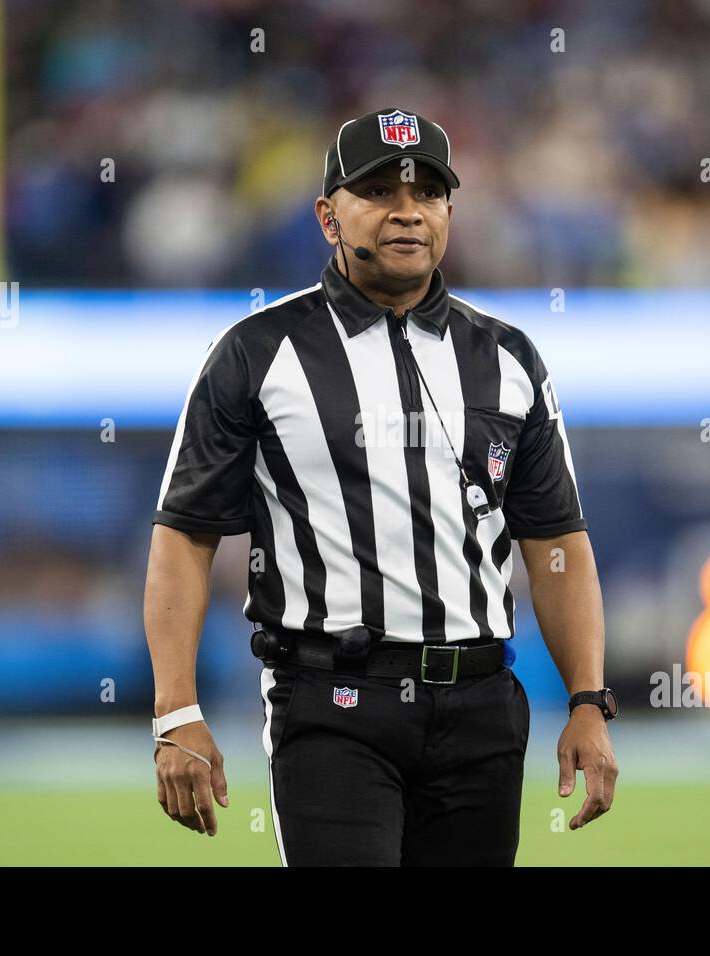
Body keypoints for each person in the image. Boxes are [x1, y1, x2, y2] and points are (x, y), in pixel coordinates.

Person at [143, 107, 617, 866]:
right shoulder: (257, 352)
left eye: (428, 193)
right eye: (379, 192)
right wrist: (176, 712)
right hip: (333, 704)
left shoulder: (509, 356)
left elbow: (557, 543)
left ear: (450, 214)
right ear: (330, 218)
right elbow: (186, 533)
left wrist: (589, 700)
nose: (407, 211)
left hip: (481, 708)